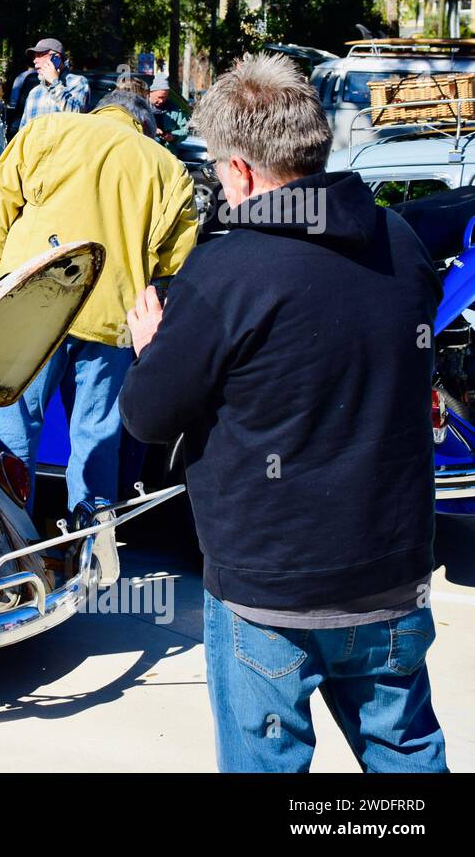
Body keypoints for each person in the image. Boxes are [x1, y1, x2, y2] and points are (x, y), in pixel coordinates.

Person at [119, 53, 447, 773]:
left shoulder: (225, 270)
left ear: (239, 172)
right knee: (408, 757)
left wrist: (151, 347)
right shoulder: (400, 240)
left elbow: (148, 416)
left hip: (269, 591)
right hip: (390, 572)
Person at [0, 90, 198, 526]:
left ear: (99, 109)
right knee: (96, 434)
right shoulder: (167, 168)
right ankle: (90, 542)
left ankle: (13, 537)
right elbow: (175, 259)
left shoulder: (48, 130)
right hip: (113, 320)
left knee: (16, 431)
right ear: (146, 126)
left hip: (31, 306)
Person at [15, 38, 90, 133]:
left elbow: (76, 116)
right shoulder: (34, 92)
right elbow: (23, 130)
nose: (35, 61)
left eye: (41, 55)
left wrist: (54, 82)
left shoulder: (77, 82)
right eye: (34, 57)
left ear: (56, 58)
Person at [147, 75, 188, 145]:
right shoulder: (140, 108)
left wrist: (173, 136)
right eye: (159, 97)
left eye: (165, 97)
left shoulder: (174, 109)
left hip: (168, 152)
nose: (162, 100)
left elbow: (185, 129)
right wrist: (150, 130)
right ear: (150, 92)